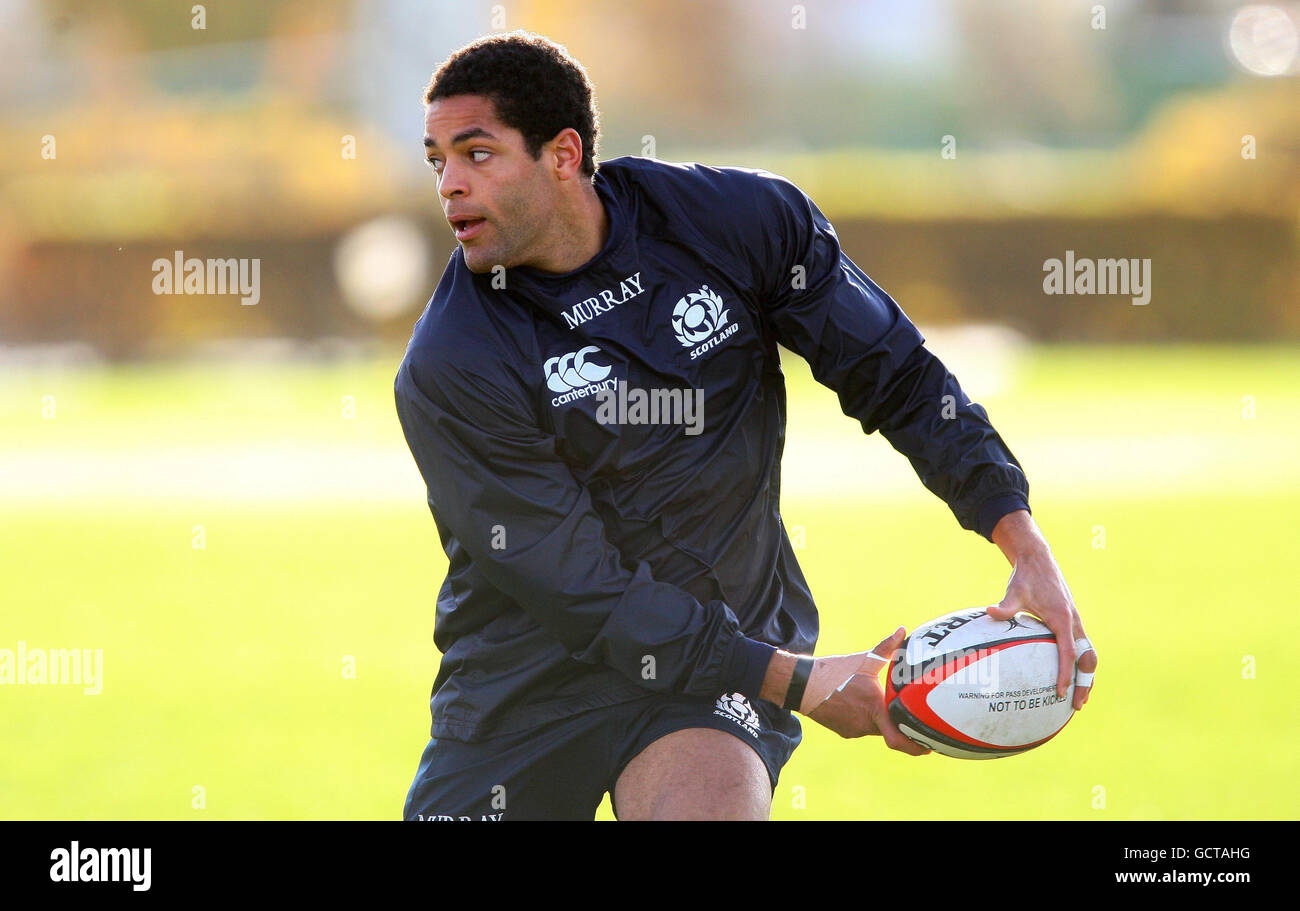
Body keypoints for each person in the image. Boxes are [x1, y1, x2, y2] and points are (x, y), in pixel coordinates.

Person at [394, 30, 1098, 821]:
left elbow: (898, 376)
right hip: (524, 686)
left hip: (716, 669)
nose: (448, 184)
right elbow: (588, 595)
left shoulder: (735, 223)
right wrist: (804, 681)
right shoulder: (451, 363)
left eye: (476, 153)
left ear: (562, 154)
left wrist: (1020, 537)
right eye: (436, 160)